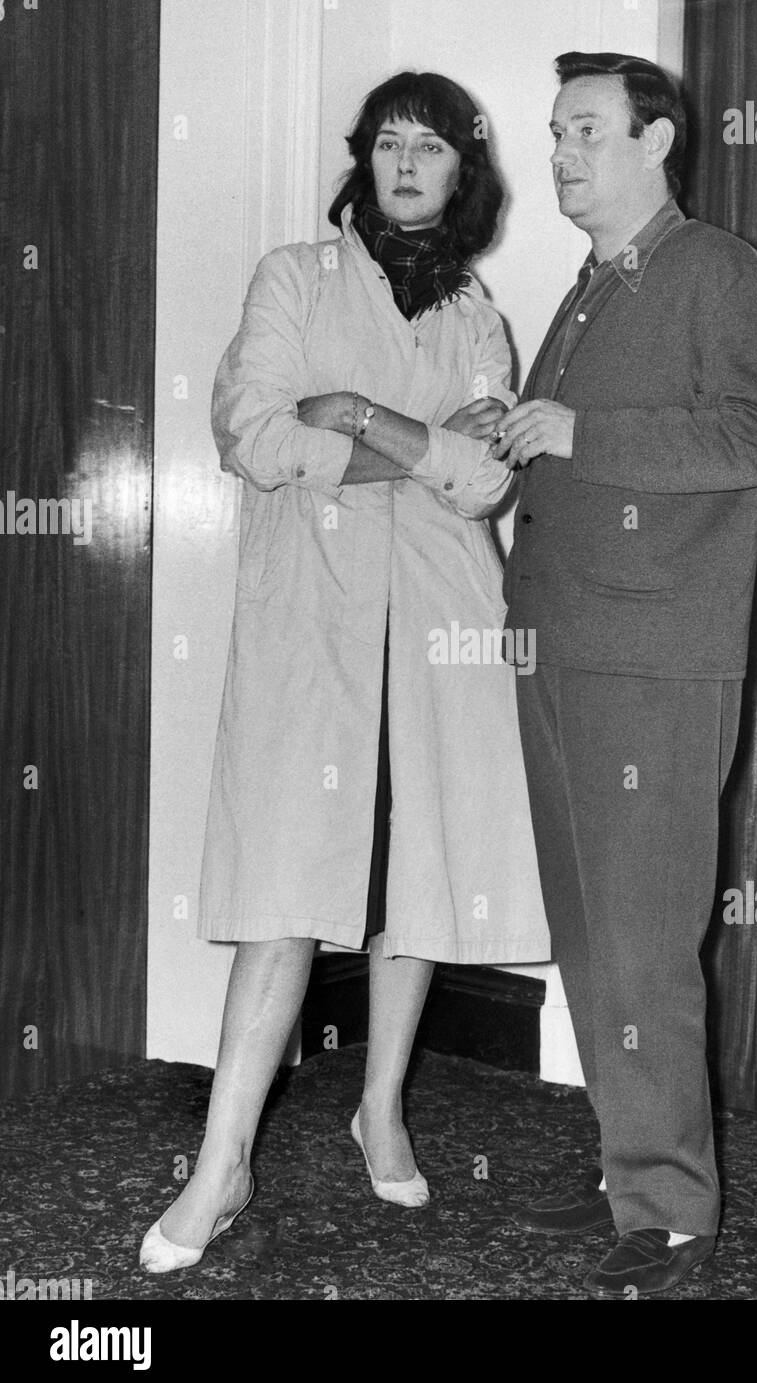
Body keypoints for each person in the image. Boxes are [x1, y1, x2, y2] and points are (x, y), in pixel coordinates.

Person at [140, 71, 549, 1274]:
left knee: (420, 861)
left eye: (431, 147)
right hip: (309, 616)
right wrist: (421, 451)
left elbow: (491, 482)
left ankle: (381, 1107)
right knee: (283, 875)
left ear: (461, 173)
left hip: (440, 615)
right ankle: (222, 1167)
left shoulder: (477, 311)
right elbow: (248, 432)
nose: (407, 163)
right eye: (388, 143)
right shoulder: (292, 277)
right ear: (361, 159)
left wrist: (361, 414)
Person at [495, 52, 757, 1296]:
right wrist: (514, 433)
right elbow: (573, 456)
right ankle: (634, 1161)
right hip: (561, 647)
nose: (561, 151)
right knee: (590, 932)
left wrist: (584, 432)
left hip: (655, 660)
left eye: (585, 130)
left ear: (656, 140)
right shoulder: (587, 290)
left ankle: (673, 1211)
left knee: (644, 938)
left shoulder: (719, 271)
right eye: (555, 131)